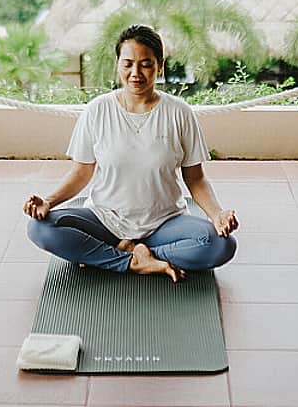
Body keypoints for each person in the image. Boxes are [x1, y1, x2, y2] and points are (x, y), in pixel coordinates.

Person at [23, 24, 238, 282]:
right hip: (105, 219)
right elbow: (81, 172)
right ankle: (135, 260)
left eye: (145, 64)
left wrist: (217, 215)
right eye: (127, 64)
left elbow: (195, 178)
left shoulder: (179, 113)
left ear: (159, 65)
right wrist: (49, 201)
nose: (135, 73)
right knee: (40, 228)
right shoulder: (97, 110)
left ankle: (124, 255)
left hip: (164, 222)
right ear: (118, 64)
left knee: (220, 245)